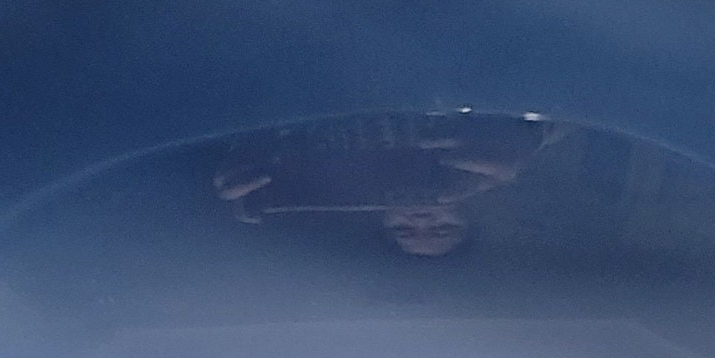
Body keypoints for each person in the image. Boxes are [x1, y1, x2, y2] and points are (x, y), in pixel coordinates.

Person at [214, 112, 560, 256]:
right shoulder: (496, 155)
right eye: (443, 228)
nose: (422, 220)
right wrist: (528, 137)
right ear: (473, 216)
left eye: (403, 230)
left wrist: (240, 145)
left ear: (379, 219)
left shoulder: (316, 166)